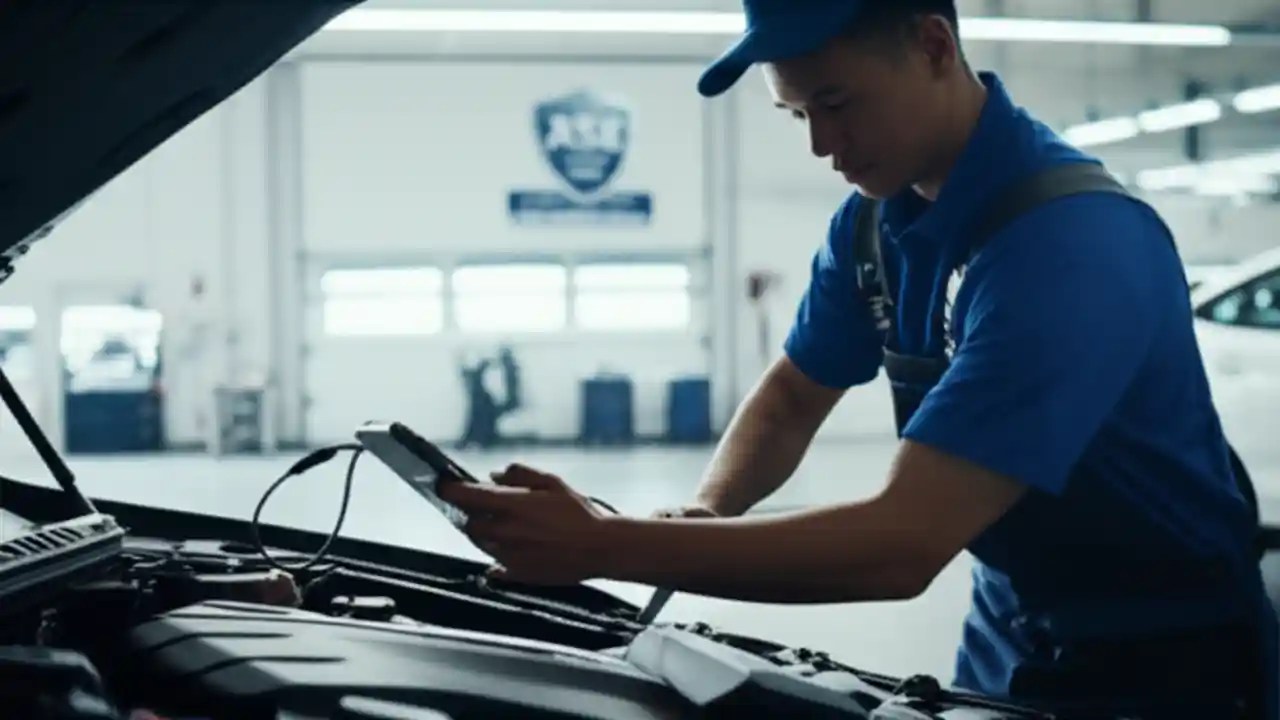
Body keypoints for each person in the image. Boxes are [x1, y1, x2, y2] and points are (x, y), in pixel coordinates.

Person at [438, 1, 1277, 716]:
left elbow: (900, 545)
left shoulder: (1070, 243)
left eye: (838, 103)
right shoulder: (874, 222)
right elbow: (795, 392)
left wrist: (607, 546)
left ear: (934, 46)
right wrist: (708, 509)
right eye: (799, 114)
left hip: (1165, 661)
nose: (821, 146)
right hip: (1007, 637)